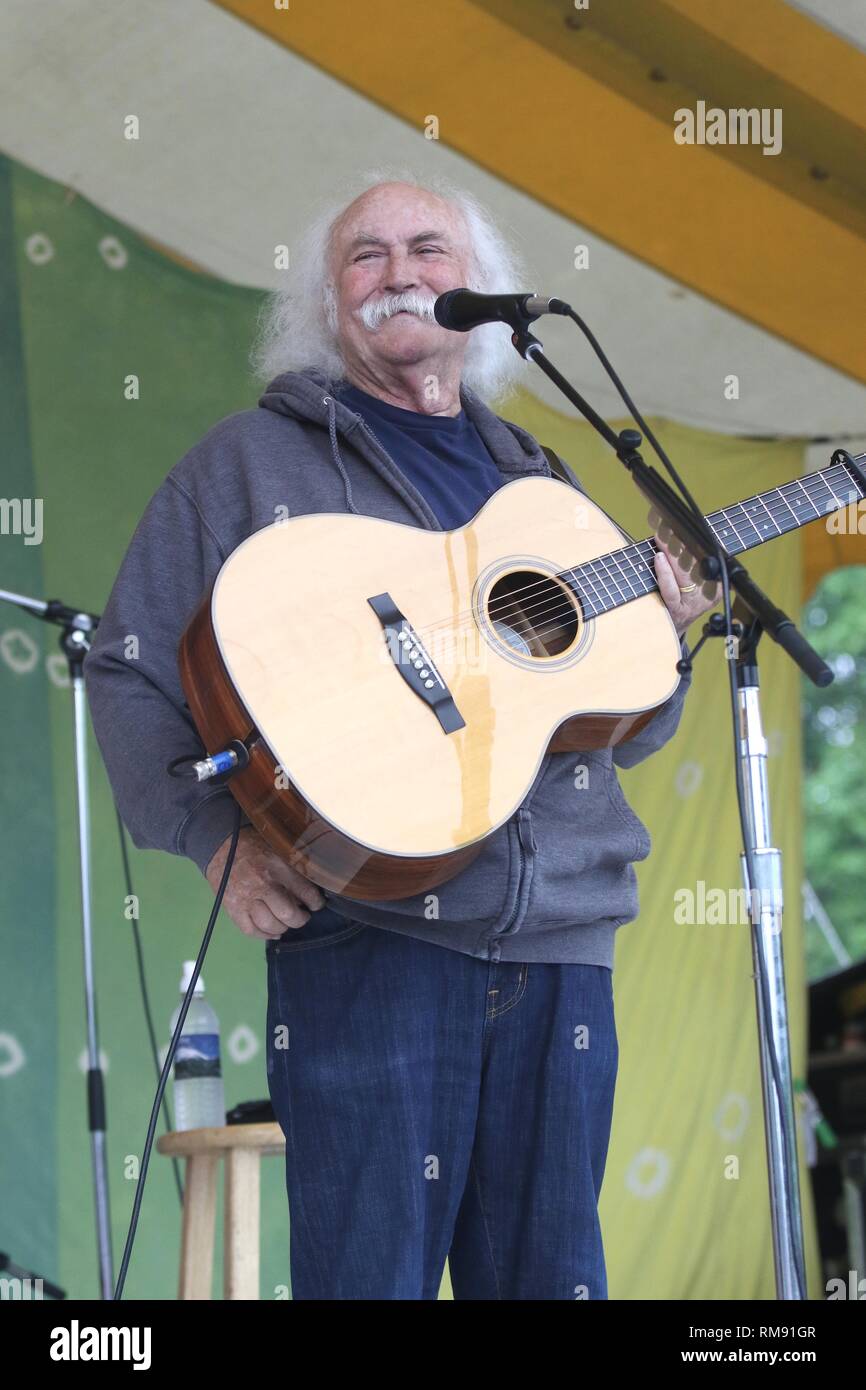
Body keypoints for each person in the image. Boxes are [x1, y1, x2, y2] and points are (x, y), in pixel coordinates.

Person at [84, 173, 720, 1301]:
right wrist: (210, 836)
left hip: (561, 947)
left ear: (478, 288)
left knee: (550, 1282)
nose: (399, 273)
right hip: (372, 937)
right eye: (363, 257)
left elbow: (614, 726)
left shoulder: (538, 481)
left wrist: (668, 634)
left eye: (426, 247)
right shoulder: (247, 465)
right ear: (326, 307)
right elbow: (125, 670)